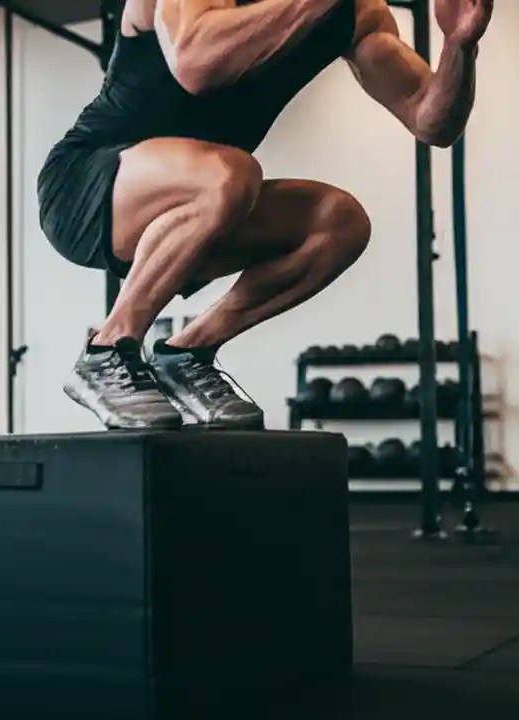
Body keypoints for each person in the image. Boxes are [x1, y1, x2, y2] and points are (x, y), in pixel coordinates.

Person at [38, 0, 493, 429]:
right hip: (88, 186)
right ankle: (107, 349)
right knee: (230, 173)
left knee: (339, 222)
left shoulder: (358, 13)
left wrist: (459, 46)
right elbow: (196, 63)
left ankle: (188, 354)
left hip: (202, 209)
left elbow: (432, 120)